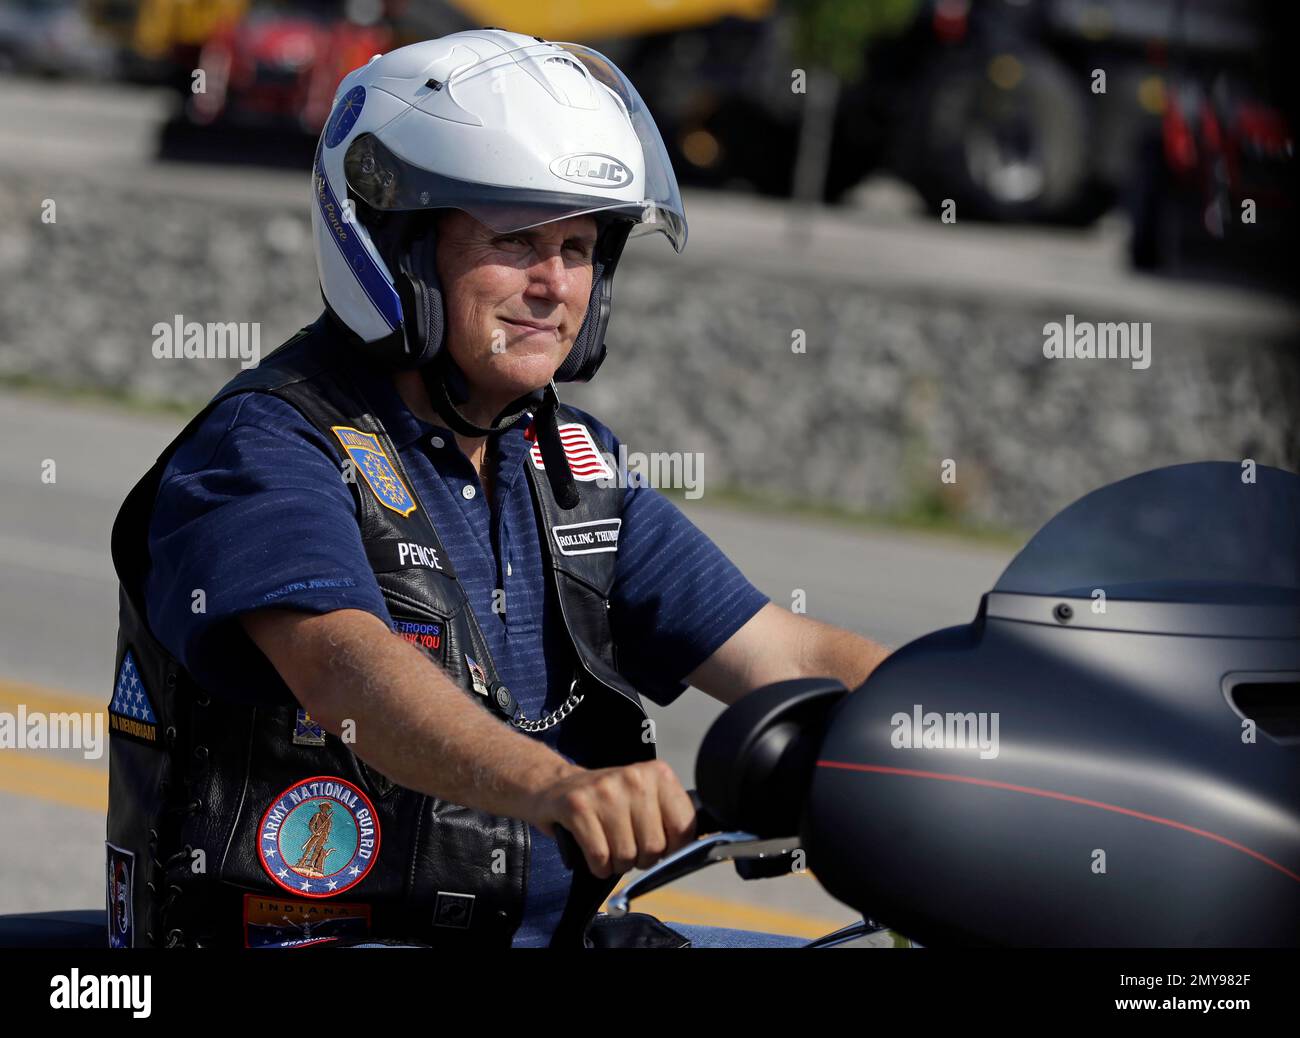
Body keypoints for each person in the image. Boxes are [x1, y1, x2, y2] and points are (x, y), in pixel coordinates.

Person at [105, 28, 888, 949]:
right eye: (516, 239)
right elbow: (349, 673)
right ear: (396, 244)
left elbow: (781, 651)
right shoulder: (268, 447)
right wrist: (554, 784)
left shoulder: (570, 468)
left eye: (581, 245)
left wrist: (965, 718)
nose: (556, 284)